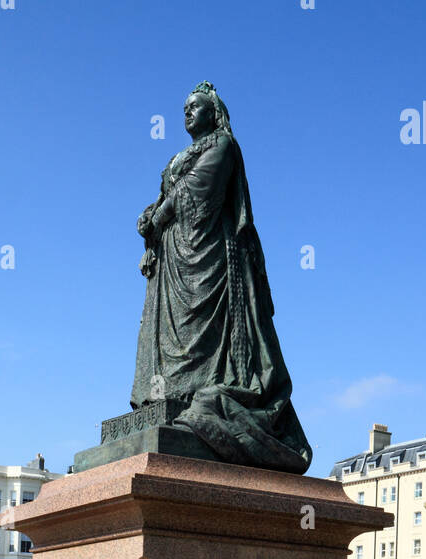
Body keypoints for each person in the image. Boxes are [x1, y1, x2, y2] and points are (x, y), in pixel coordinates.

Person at [131, 82, 311, 473]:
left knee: (204, 330)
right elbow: (169, 194)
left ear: (213, 113)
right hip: (174, 257)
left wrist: (159, 215)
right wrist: (152, 219)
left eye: (195, 107)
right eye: (183, 108)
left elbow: (199, 192)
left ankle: (197, 394)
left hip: (207, 252)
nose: (187, 113)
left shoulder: (223, 146)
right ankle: (171, 394)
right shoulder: (184, 153)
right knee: (169, 330)